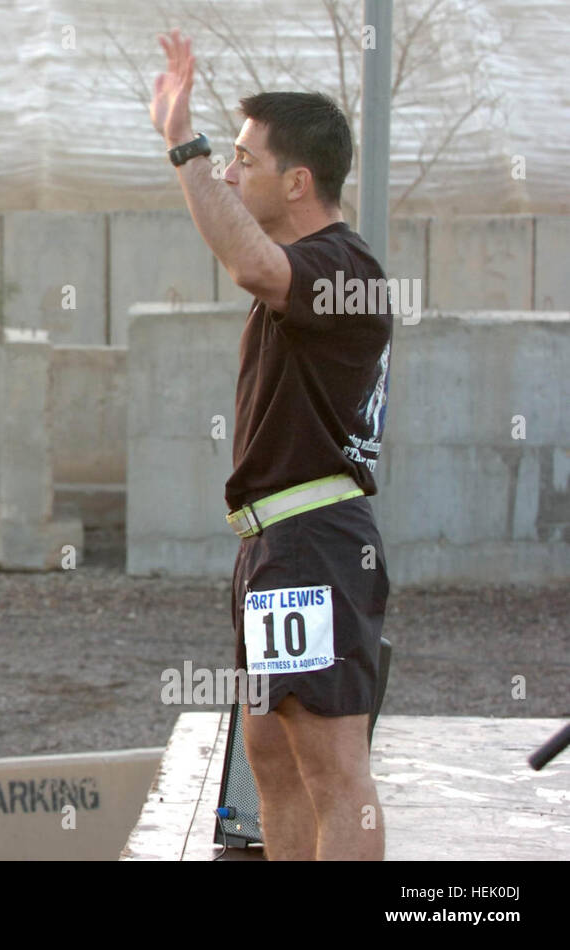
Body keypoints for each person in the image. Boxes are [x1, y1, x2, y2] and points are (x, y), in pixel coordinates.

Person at [150, 32, 391, 860]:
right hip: (274, 545)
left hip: (316, 542)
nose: (228, 172)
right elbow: (252, 261)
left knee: (331, 766)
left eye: (243, 161)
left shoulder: (340, 268)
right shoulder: (308, 271)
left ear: (298, 180)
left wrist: (183, 144)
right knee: (269, 755)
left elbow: (251, 266)